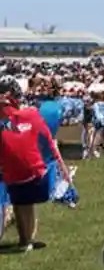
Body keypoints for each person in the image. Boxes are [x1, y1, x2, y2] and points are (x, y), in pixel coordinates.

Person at [0, 79, 70, 252]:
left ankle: (26, 240)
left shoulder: (24, 115)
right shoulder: (30, 114)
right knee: (25, 203)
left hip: (16, 169)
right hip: (28, 168)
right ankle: (27, 239)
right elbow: (47, 139)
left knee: (21, 203)